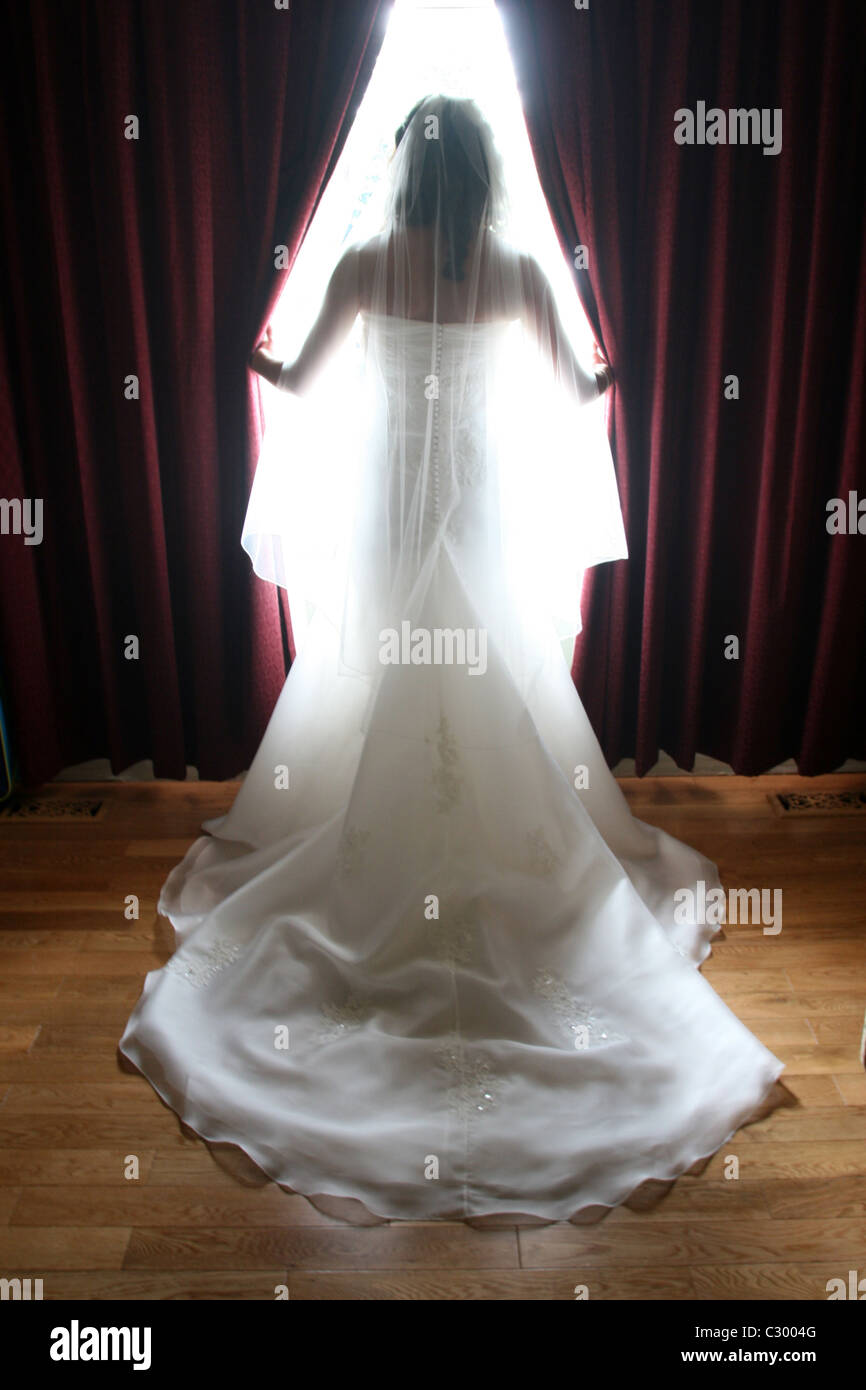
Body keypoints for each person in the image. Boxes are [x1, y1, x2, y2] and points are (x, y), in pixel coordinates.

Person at [119, 95, 788, 1225]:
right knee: (491, 671)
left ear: (402, 175)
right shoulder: (524, 270)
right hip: (472, 510)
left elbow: (287, 381)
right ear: (483, 179)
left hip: (394, 511)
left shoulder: (367, 261)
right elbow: (584, 393)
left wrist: (251, 346)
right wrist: (602, 370)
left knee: (374, 671)